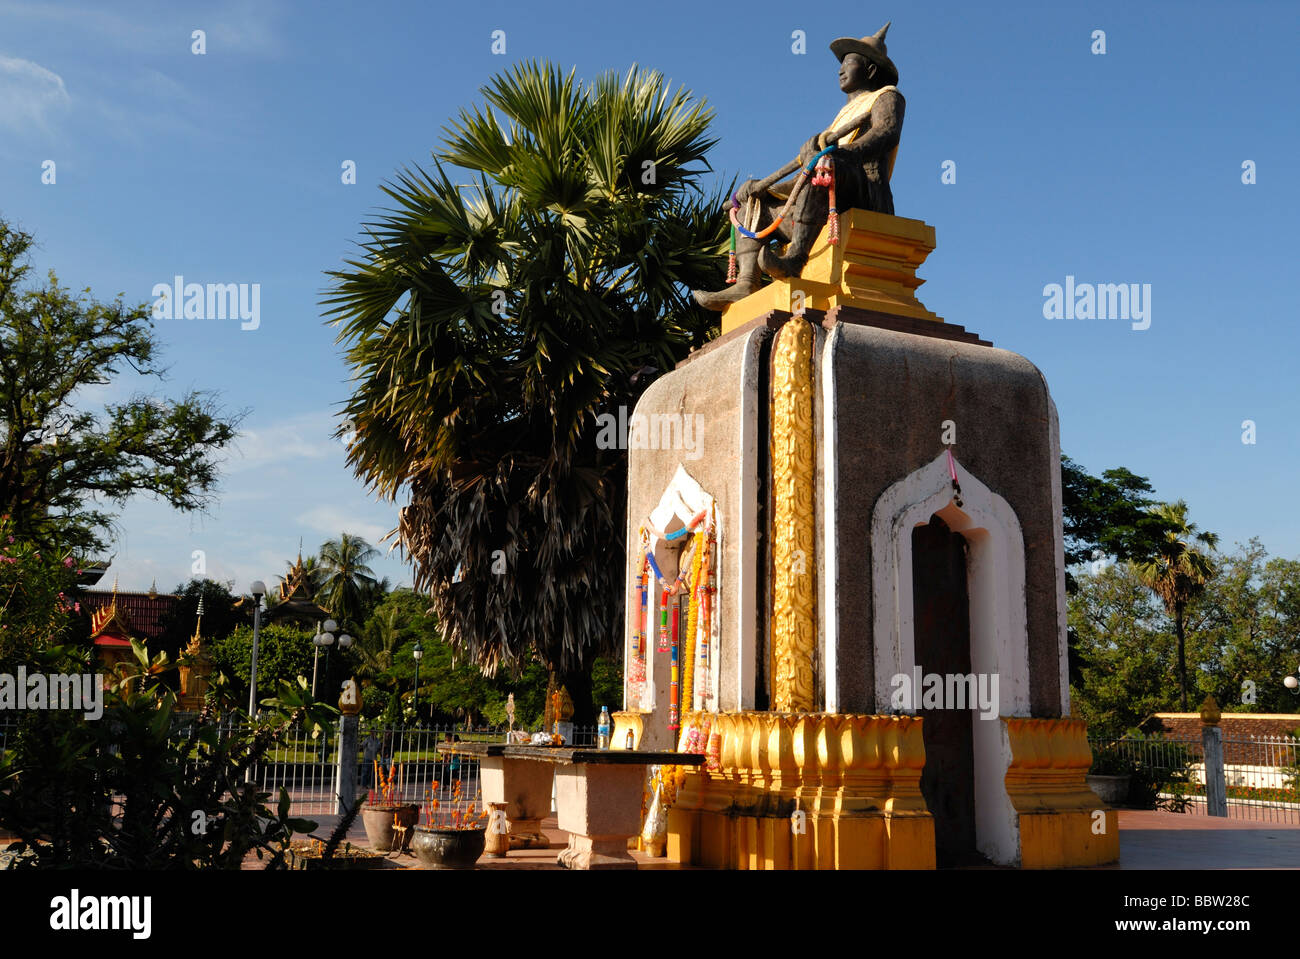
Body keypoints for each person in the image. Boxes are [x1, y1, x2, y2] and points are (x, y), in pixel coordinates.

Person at [692, 24, 904, 310]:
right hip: (830, 186)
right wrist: (772, 184)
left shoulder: (887, 96)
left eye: (849, 63)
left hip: (863, 188)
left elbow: (886, 132)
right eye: (840, 65)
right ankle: (746, 282)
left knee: (823, 165)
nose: (840, 70)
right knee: (754, 205)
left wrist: (837, 152)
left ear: (869, 70)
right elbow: (814, 159)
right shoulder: (843, 113)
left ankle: (796, 259)